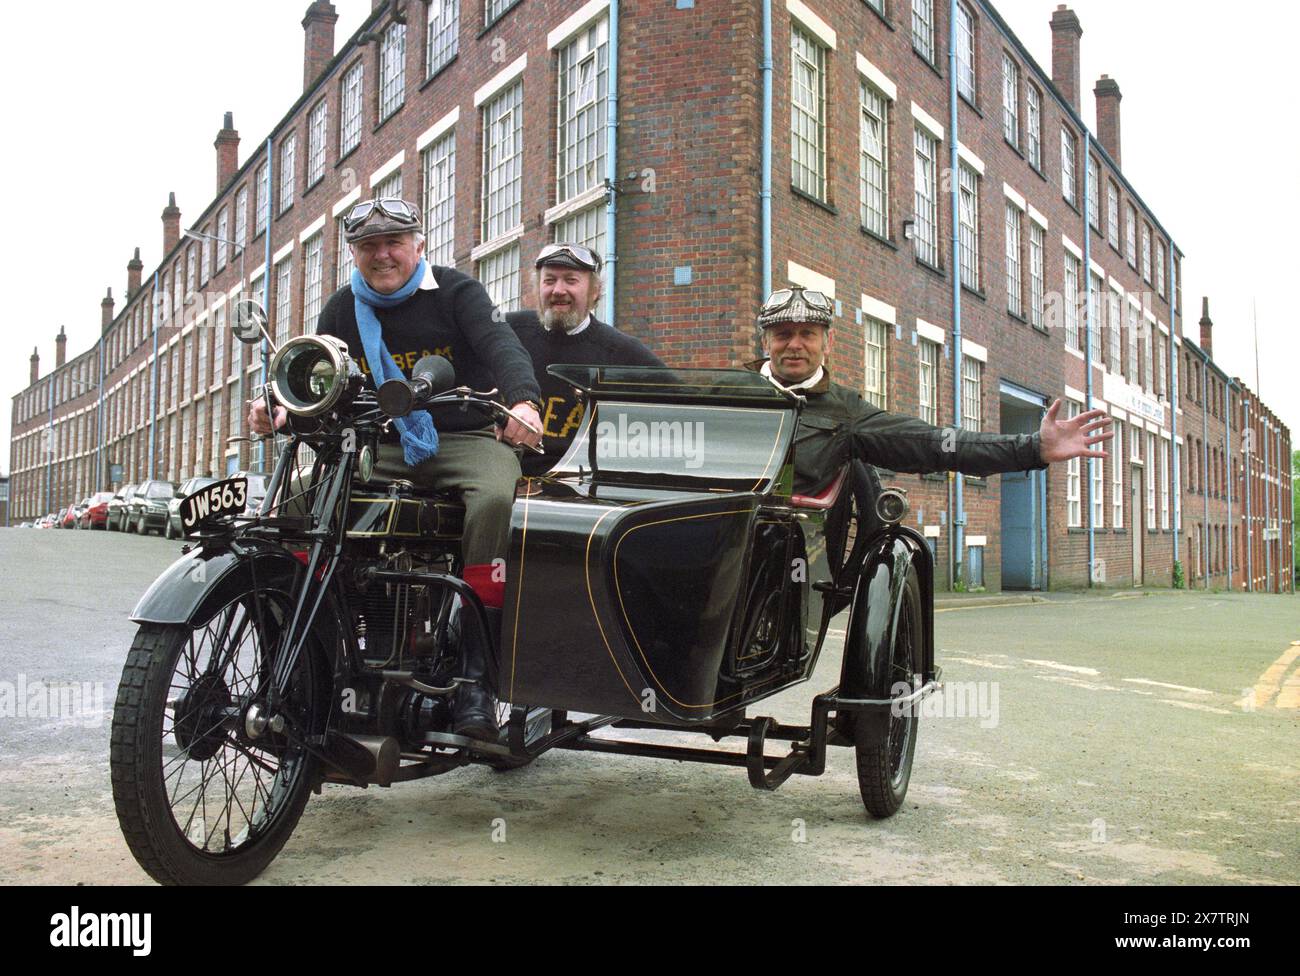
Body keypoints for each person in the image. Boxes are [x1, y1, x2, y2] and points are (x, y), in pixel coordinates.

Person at [249, 197, 542, 741]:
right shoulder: (342, 309)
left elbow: (504, 347)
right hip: (378, 445)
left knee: (496, 501)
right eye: (368, 246)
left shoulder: (458, 292)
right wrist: (281, 409)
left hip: (463, 436)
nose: (382, 255)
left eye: (394, 243)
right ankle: (307, 659)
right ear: (354, 254)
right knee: (290, 507)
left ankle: (477, 678)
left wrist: (524, 402)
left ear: (418, 246)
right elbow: (318, 377)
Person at [748, 286, 1112, 495]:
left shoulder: (845, 412)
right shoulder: (728, 393)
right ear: (766, 341)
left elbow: (933, 443)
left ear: (827, 344)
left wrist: (1032, 448)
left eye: (807, 334)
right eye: (783, 335)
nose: (794, 345)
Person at [507, 243, 665, 476]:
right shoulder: (507, 333)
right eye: (549, 281)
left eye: (571, 280)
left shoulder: (622, 352)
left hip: (580, 486)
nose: (558, 290)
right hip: (504, 475)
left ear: (595, 291)